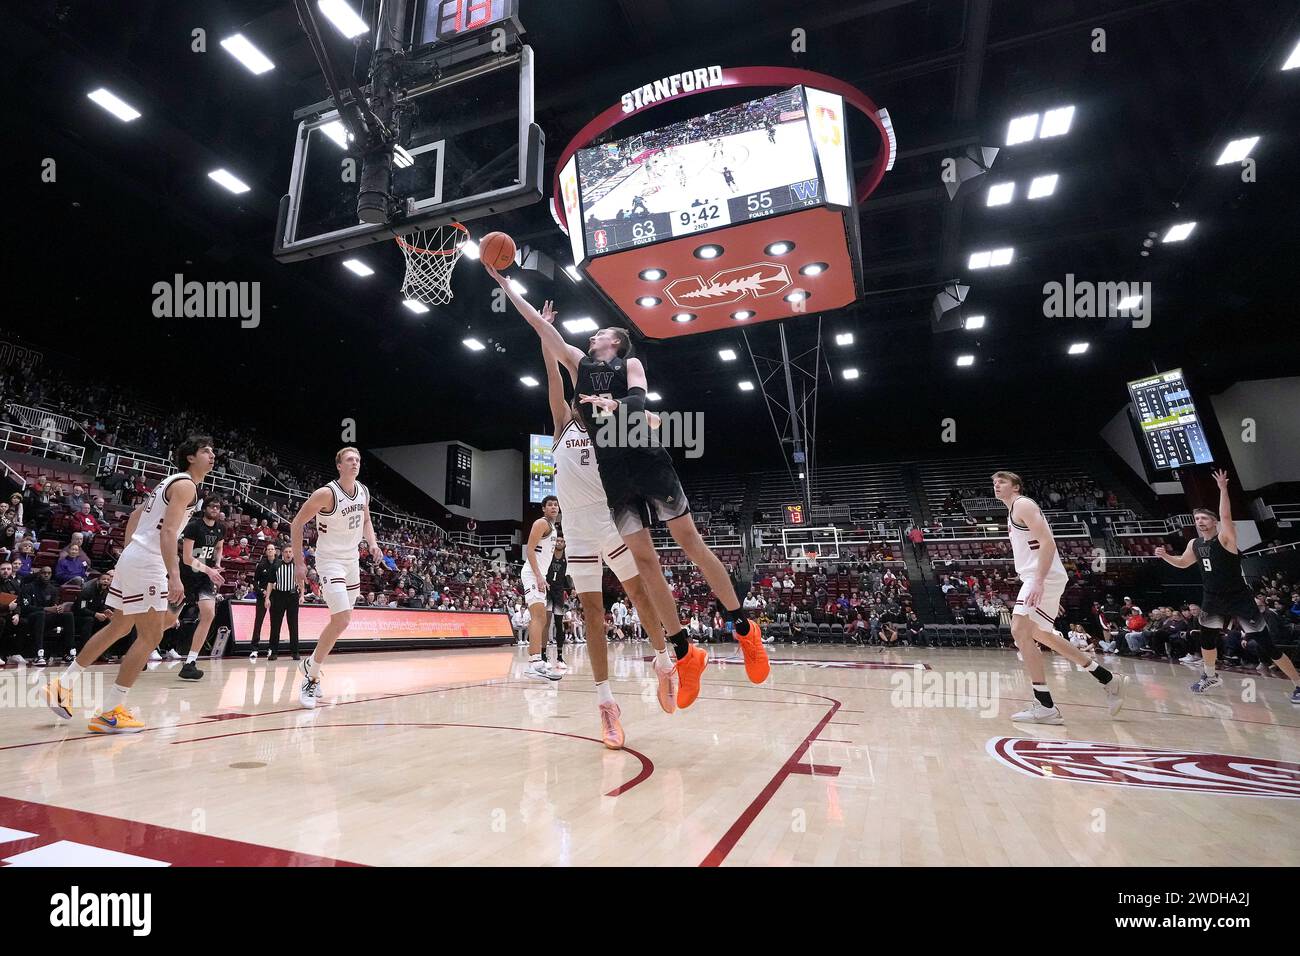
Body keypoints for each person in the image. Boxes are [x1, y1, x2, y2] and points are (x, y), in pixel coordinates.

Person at [487, 271, 768, 709]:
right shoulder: (580, 365)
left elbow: (638, 398)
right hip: (612, 472)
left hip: (642, 453)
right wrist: (505, 284)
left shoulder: (629, 363)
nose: (596, 333)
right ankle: (682, 653)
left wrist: (618, 407)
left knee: (689, 541)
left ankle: (744, 629)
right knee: (645, 563)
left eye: (604, 332)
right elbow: (543, 332)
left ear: (616, 342)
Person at [536, 334, 678, 742]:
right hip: (577, 530)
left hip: (609, 519)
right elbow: (553, 373)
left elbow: (648, 423)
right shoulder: (563, 422)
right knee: (592, 616)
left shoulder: (610, 427)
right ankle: (606, 704)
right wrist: (546, 335)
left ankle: (664, 662)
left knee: (639, 595)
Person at [47, 435, 214, 732]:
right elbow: (168, 533)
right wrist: (173, 576)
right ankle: (110, 712)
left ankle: (63, 684)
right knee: (150, 637)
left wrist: (130, 553)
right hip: (147, 560)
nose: (212, 455)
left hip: (135, 556)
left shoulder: (170, 481)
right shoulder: (186, 485)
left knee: (120, 626)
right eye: (206, 451)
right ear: (190, 457)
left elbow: (137, 515)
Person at [991, 470, 1126, 723]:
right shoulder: (1012, 512)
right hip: (1036, 576)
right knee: (1041, 634)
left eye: (1002, 481)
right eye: (994, 482)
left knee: (1019, 630)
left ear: (1016, 486)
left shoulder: (1023, 504)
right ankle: (1107, 678)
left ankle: (1045, 706)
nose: (996, 485)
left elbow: (1048, 543)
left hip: (1041, 576)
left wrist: (1039, 580)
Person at [1155, 470, 1300, 703]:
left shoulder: (1226, 538)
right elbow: (1182, 564)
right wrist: (1166, 557)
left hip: (1238, 598)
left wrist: (1223, 489)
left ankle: (1298, 684)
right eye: (1197, 519)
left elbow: (1226, 515)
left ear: (1214, 522)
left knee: (1267, 645)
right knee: (1206, 640)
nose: (1199, 521)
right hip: (1212, 597)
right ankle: (1210, 676)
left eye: (1204, 518)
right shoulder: (1195, 543)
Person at [290, 447, 382, 708]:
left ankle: (310, 663)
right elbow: (296, 524)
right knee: (340, 618)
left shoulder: (362, 491)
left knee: (343, 621)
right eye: (350, 460)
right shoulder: (326, 494)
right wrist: (300, 562)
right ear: (339, 465)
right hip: (329, 562)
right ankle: (311, 677)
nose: (355, 463)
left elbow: (366, 521)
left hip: (352, 561)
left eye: (358, 460)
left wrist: (372, 544)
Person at [173, 496, 226, 680]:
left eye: (217, 507)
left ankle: (190, 662)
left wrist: (217, 563)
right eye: (212, 506)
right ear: (205, 508)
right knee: (167, 620)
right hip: (187, 575)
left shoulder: (221, 528)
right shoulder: (194, 526)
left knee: (209, 614)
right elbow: (187, 558)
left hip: (205, 576)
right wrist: (210, 570)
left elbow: (219, 547)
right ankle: (142, 652)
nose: (215, 509)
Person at [520, 495, 562, 680]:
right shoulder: (541, 523)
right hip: (532, 574)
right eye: (550, 505)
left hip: (540, 576)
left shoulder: (553, 528)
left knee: (542, 618)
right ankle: (534, 663)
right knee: (538, 616)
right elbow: (529, 550)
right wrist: (538, 575)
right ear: (544, 508)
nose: (554, 507)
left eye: (556, 505)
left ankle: (537, 661)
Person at [268, 544, 302, 661]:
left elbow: (301, 581)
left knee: (293, 625)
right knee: (275, 625)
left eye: (290, 552)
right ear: (282, 553)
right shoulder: (276, 565)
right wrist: (267, 597)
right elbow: (270, 583)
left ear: (293, 554)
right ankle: (273, 651)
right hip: (279, 596)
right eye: (286, 552)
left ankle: (295, 651)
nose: (288, 554)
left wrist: (302, 595)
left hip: (293, 596)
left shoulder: (296, 565)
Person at [248, 543, 278, 658]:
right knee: (258, 622)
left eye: (272, 549)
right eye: (268, 549)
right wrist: (262, 592)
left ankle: (271, 648)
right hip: (262, 597)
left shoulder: (279, 564)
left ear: (275, 551)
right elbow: (255, 582)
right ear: (266, 552)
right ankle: (254, 649)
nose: (270, 551)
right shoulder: (261, 565)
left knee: (274, 623)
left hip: (275, 597)